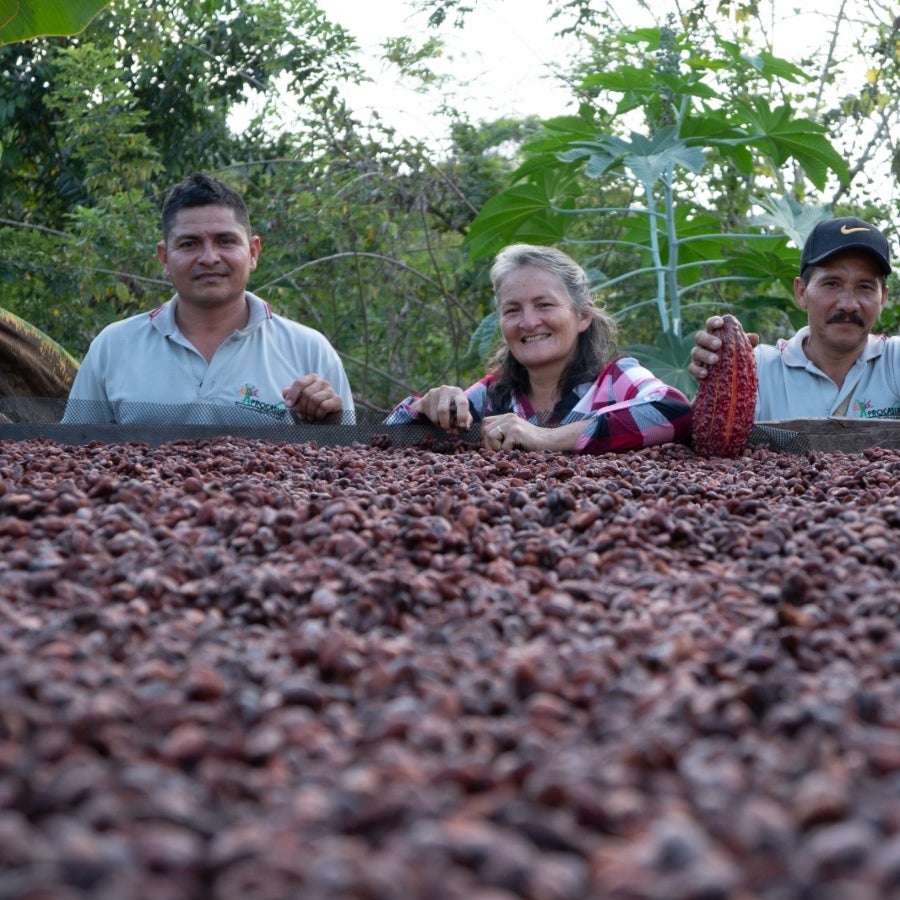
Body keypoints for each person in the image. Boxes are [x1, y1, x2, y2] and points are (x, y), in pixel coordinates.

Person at [62, 173, 354, 425]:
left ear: (253, 253)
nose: (209, 258)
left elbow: (349, 465)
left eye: (226, 241)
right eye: (189, 244)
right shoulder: (114, 347)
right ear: (164, 258)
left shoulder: (309, 351)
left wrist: (328, 423)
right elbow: (72, 454)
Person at [387, 243, 693, 453]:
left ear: (583, 315)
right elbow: (384, 441)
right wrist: (425, 407)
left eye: (544, 305)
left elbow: (674, 411)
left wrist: (547, 438)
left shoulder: (614, 381)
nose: (529, 322)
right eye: (512, 311)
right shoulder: (494, 396)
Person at [689, 216, 899, 421]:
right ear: (801, 292)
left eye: (865, 287)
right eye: (832, 284)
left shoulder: (894, 360)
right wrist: (717, 384)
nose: (848, 304)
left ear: (883, 298)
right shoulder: (758, 368)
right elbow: (711, 442)